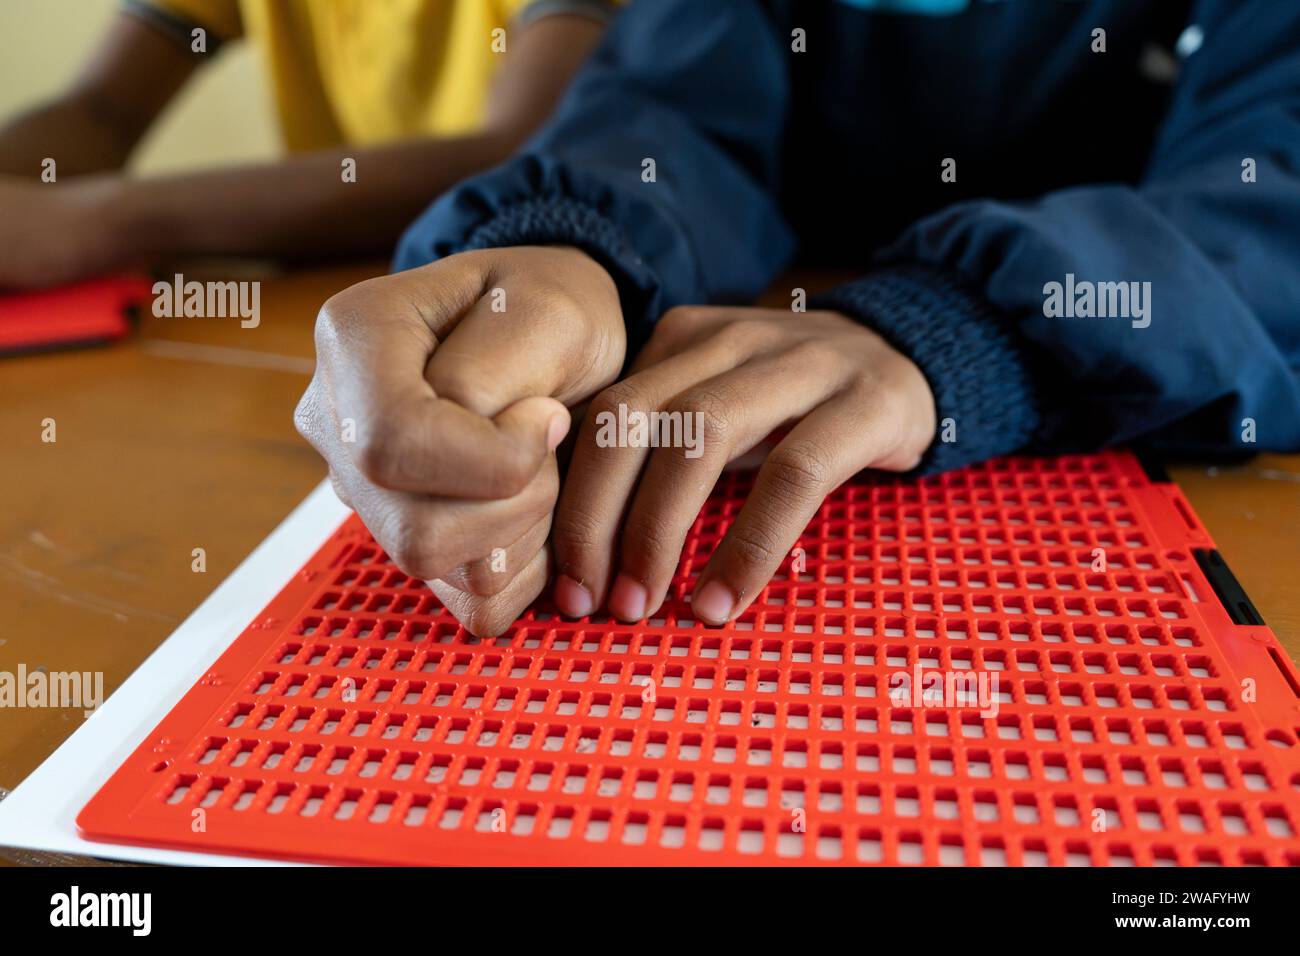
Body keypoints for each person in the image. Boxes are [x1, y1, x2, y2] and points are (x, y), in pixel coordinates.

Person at [294, 0, 1300, 637]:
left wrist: (955, 328)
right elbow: (670, 109)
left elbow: (1272, 194)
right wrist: (576, 249)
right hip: (762, 376)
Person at [0, 0, 617, 288]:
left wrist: (103, 221)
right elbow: (100, 110)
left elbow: (520, 156)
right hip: (321, 301)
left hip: (507, 294)